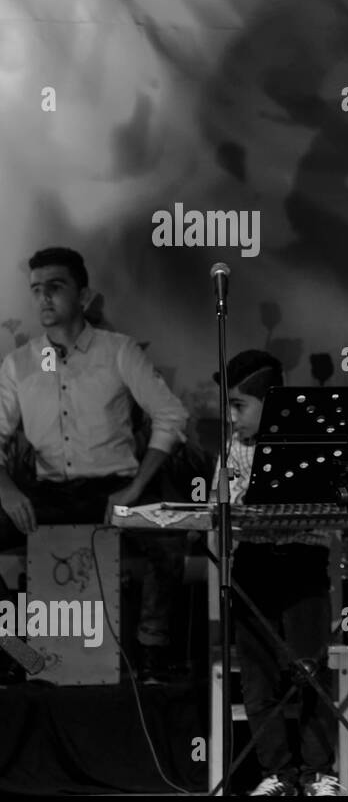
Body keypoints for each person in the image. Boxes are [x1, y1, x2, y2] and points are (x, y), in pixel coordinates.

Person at [0, 247, 188, 681]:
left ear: (83, 296)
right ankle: (18, 650)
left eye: (55, 287)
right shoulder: (20, 363)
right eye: (36, 290)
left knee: (170, 540)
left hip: (116, 487)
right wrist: (7, 490)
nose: (44, 298)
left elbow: (172, 415)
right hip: (48, 493)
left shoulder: (117, 351)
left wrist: (136, 487)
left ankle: (151, 653)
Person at [216, 349, 343, 796]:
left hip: (303, 563)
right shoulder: (230, 449)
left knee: (310, 670)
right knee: (258, 676)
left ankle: (318, 772)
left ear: (271, 401)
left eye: (239, 406)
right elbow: (224, 506)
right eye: (228, 406)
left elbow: (329, 513)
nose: (232, 417)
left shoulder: (308, 443)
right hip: (253, 565)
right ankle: (277, 773)